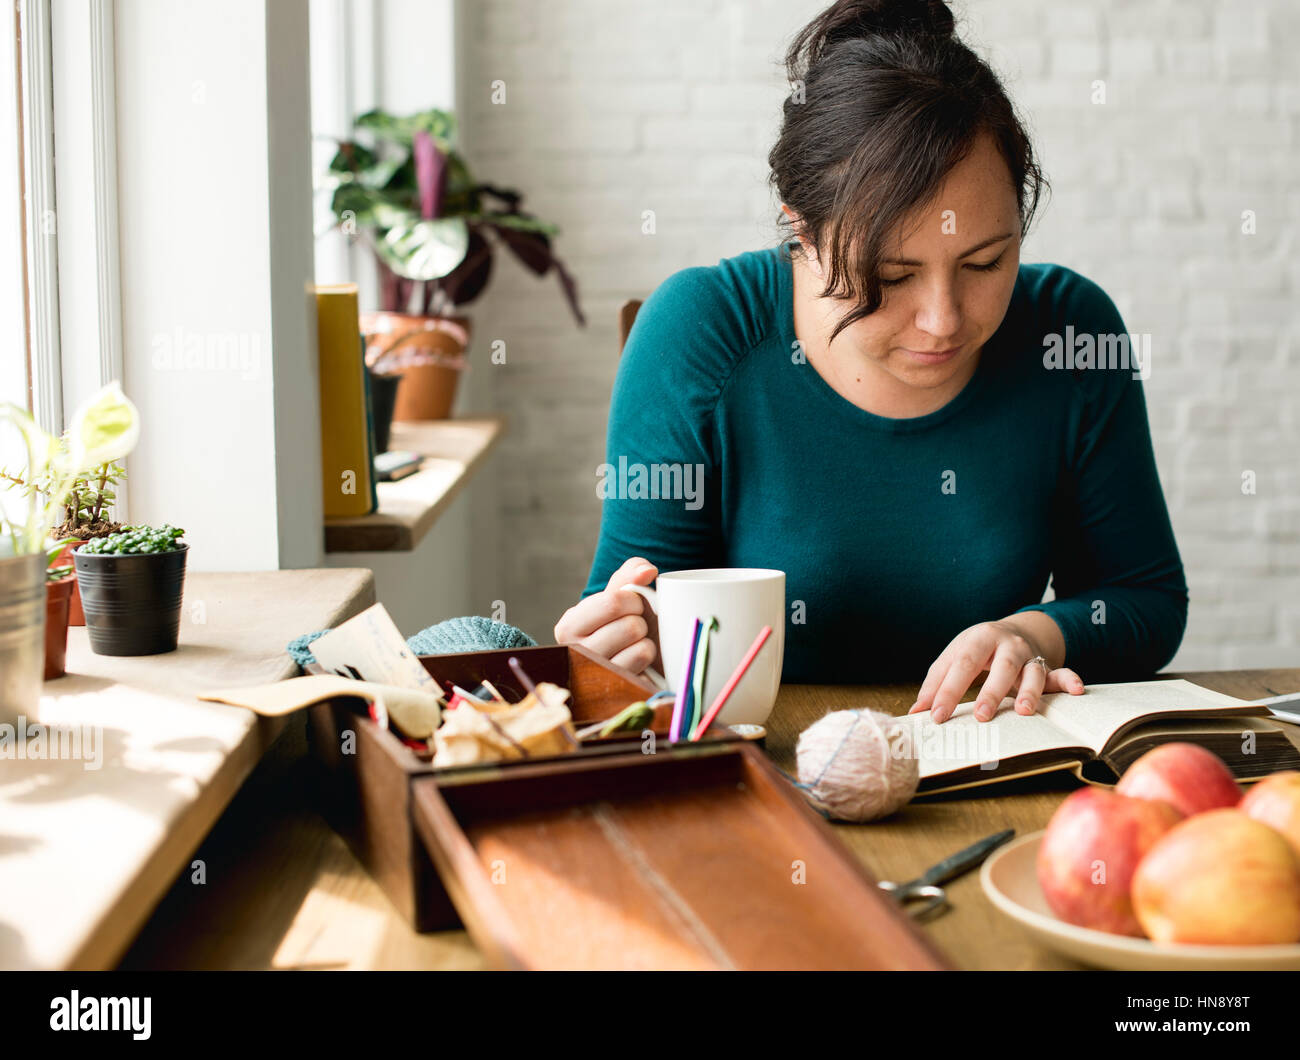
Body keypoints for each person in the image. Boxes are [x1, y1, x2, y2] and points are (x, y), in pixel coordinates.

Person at [554, 0, 1187, 725]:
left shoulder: (1069, 334)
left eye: (985, 261)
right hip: (768, 777)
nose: (944, 319)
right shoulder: (701, 332)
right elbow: (632, 616)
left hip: (992, 769)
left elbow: (1145, 599)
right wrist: (607, 646)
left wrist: (1032, 633)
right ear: (802, 230)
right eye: (891, 276)